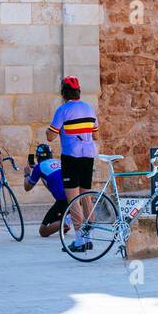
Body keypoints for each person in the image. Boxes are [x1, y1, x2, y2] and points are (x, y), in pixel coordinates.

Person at [47, 76, 99, 253]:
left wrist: (54, 129)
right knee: (86, 196)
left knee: (73, 199)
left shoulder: (62, 110)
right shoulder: (89, 108)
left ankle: (79, 240)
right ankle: (89, 238)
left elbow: (50, 136)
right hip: (88, 156)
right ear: (78, 91)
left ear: (63, 92)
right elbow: (96, 135)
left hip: (71, 157)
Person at [23, 143, 69, 239]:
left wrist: (27, 174)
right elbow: (49, 182)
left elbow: (27, 188)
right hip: (72, 196)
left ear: (37, 156)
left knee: (43, 231)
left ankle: (66, 221)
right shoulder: (57, 162)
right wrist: (38, 171)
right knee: (55, 220)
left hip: (63, 201)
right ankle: (68, 216)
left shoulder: (38, 168)